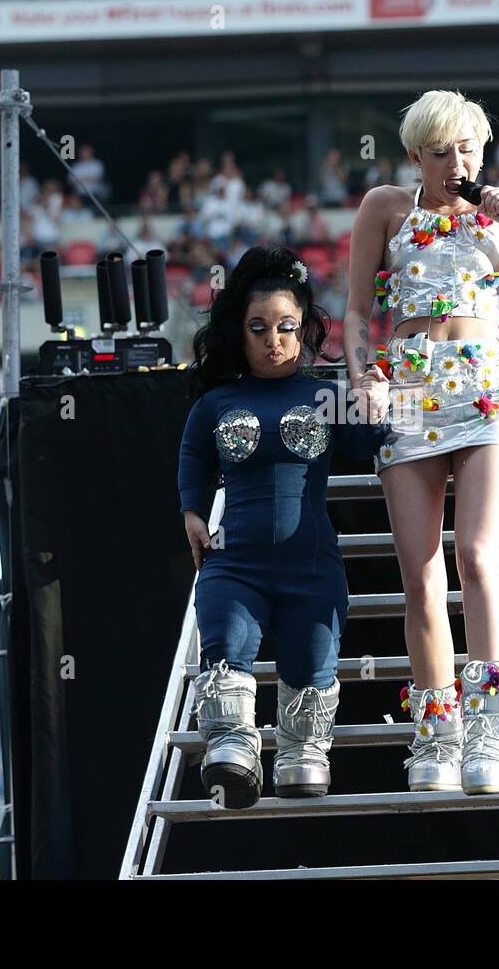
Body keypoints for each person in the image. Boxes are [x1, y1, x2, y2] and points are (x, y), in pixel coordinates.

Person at [343, 90, 499, 794]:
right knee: (419, 574)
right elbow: (355, 310)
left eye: (467, 146)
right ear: (416, 155)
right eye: (440, 150)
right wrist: (361, 378)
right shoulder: (385, 205)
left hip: (485, 386)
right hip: (409, 385)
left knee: (476, 554)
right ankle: (435, 733)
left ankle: (493, 733)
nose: (456, 161)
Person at [177, 245, 389, 808]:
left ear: (305, 332)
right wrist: (192, 511)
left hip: (311, 567)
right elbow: (194, 457)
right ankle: (232, 745)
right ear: (238, 333)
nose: (274, 340)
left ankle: (302, 751)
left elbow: (371, 443)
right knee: (225, 637)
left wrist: (380, 403)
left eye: (287, 327)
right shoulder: (216, 402)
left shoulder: (326, 395)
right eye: (259, 327)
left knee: (312, 654)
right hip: (234, 562)